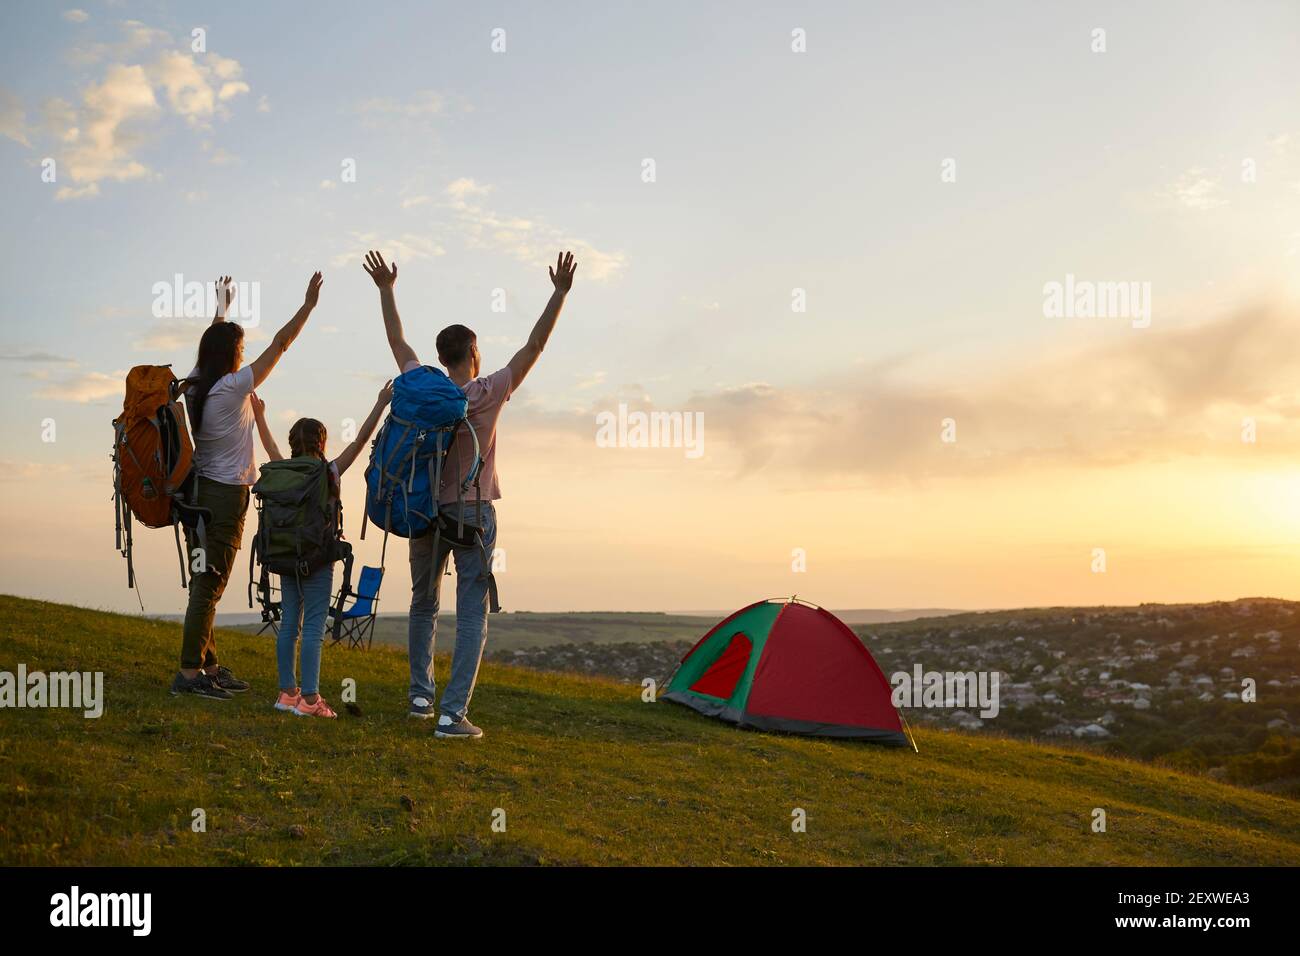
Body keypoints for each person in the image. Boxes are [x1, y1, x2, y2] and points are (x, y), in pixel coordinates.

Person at [362, 249, 577, 738]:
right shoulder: (488, 391)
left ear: (441, 358)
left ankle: (420, 696)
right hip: (472, 512)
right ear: (474, 354)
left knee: (423, 603)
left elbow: (397, 340)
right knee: (471, 610)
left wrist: (386, 289)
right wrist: (559, 293)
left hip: (421, 510)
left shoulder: (421, 385)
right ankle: (451, 714)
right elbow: (535, 345)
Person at [171, 271, 324, 700]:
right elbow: (280, 344)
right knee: (210, 583)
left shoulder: (198, 381)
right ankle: (187, 674)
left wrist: (222, 306)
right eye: (239, 348)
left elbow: (215, 344)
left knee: (206, 578)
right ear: (231, 355)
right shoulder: (233, 387)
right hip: (224, 496)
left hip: (197, 492)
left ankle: (208, 666)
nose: (243, 354)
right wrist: (308, 307)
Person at [252, 383, 393, 718]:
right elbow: (360, 442)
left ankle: (287, 694)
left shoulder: (281, 471)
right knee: (314, 626)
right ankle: (311, 700)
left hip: (284, 557)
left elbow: (269, 447)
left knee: (289, 624)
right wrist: (380, 404)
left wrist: (259, 417)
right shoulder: (327, 472)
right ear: (322, 442)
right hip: (317, 558)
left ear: (293, 444)